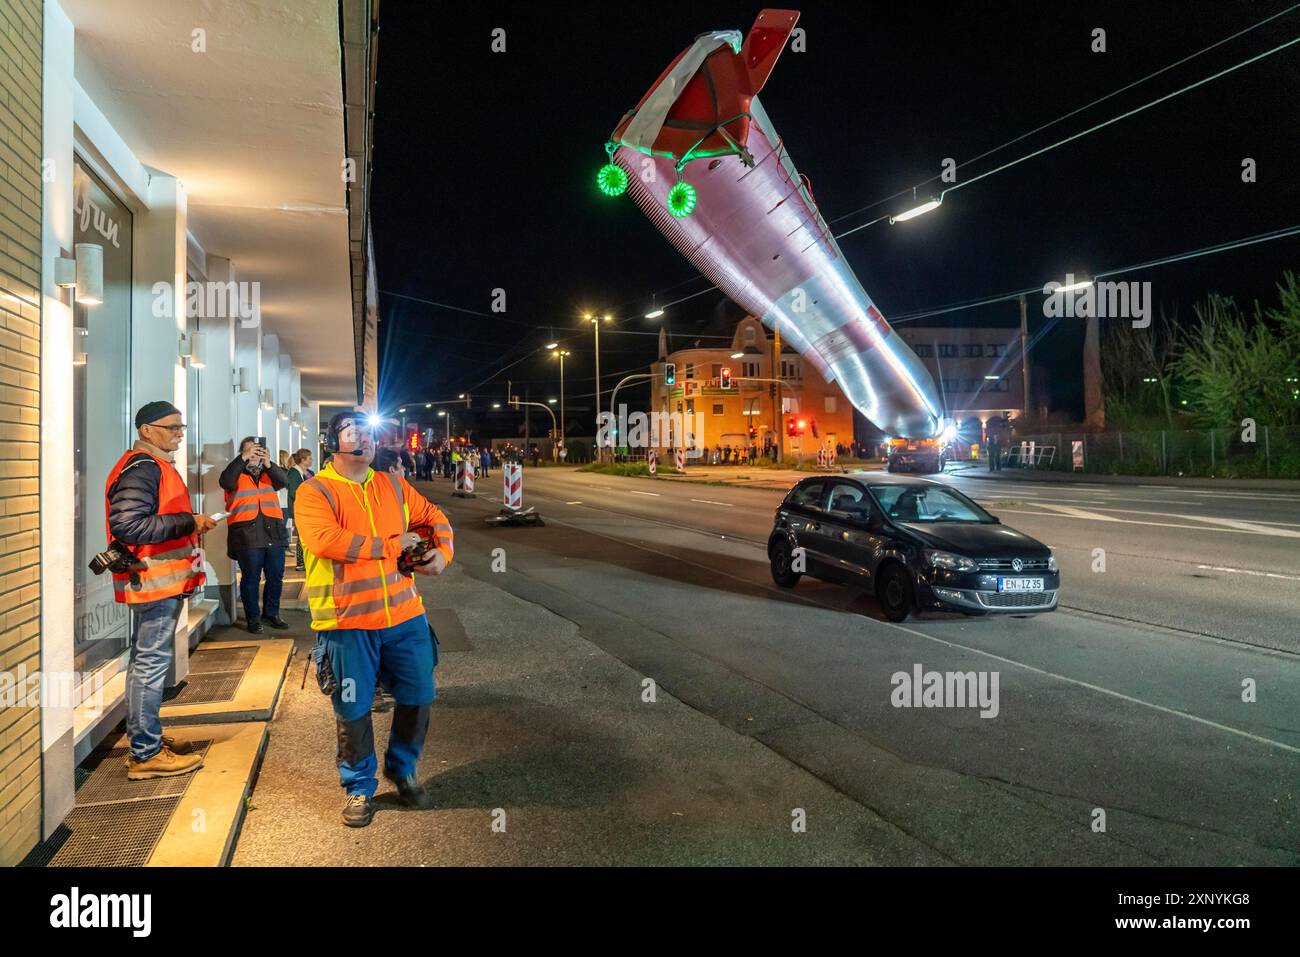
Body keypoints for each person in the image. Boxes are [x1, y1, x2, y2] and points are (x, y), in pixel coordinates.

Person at [295, 412, 454, 827]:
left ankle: (402, 770)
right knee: (353, 708)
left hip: (405, 616)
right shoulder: (315, 491)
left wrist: (442, 553)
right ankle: (358, 787)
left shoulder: (393, 484)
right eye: (353, 431)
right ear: (333, 441)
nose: (364, 437)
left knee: (419, 694)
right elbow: (326, 541)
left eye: (369, 431)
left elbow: (434, 517)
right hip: (347, 624)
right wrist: (390, 544)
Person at [107, 401, 216, 779]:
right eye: (171, 428)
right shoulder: (144, 468)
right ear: (146, 431)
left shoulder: (150, 467)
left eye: (180, 427)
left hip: (156, 581)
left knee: (145, 662)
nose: (179, 433)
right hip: (153, 582)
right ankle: (145, 753)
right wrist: (190, 521)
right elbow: (128, 525)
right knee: (150, 664)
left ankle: (146, 740)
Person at [220, 437, 290, 633]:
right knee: (251, 578)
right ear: (242, 453)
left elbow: (283, 481)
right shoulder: (235, 473)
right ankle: (253, 618)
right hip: (247, 534)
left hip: (273, 532)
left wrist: (269, 463)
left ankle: (272, 614)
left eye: (257, 450)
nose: (253, 454)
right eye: (249, 450)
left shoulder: (269, 473)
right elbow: (225, 481)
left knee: (276, 576)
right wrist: (242, 459)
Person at [285, 448, 314, 571]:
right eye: (309, 458)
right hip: (299, 509)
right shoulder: (293, 473)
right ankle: (301, 562)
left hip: (308, 508)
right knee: (302, 536)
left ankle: (306, 561)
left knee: (306, 535)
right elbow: (293, 492)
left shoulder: (308, 472)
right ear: (302, 460)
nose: (311, 460)